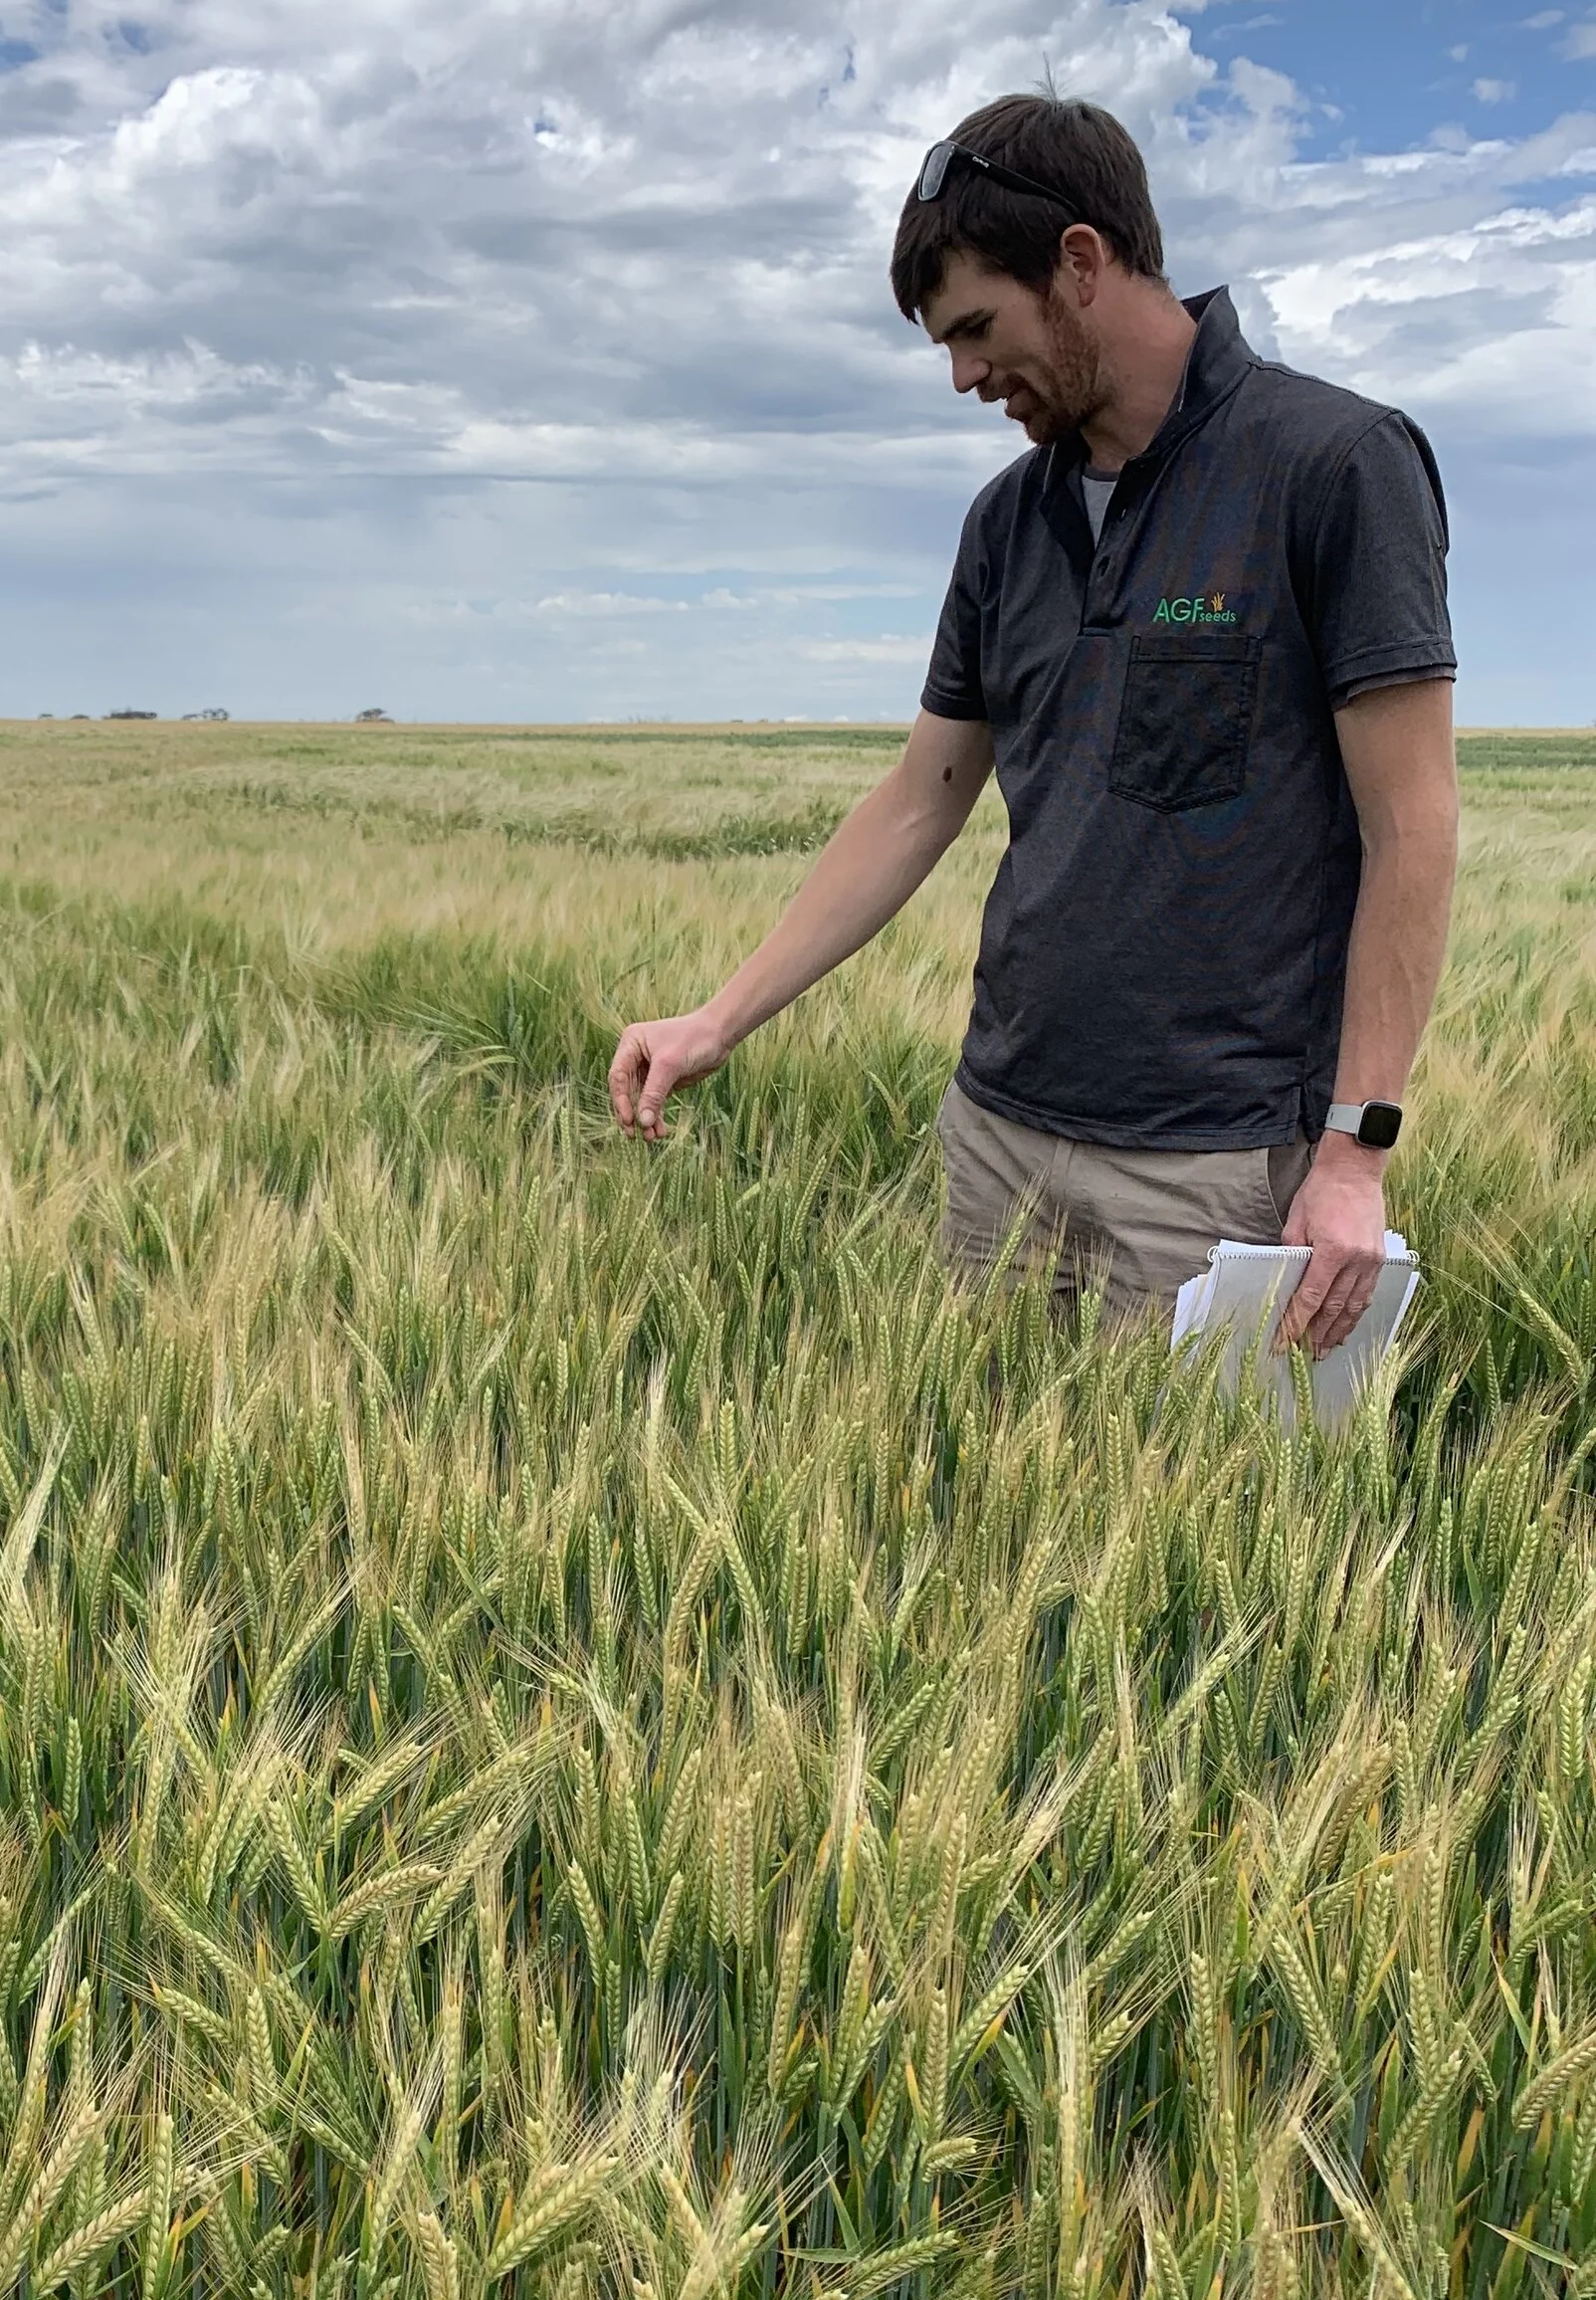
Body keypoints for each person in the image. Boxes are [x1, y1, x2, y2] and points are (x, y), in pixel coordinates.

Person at [606, 95, 1459, 1356]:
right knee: (988, 1499)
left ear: (1077, 262)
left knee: (1192, 1537)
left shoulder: (1333, 466)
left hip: (1209, 1173)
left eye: (975, 329)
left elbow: (1413, 824)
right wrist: (718, 1015)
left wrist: (1355, 1152)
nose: (963, 377)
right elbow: (919, 798)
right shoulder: (1007, 524)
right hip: (995, 1139)